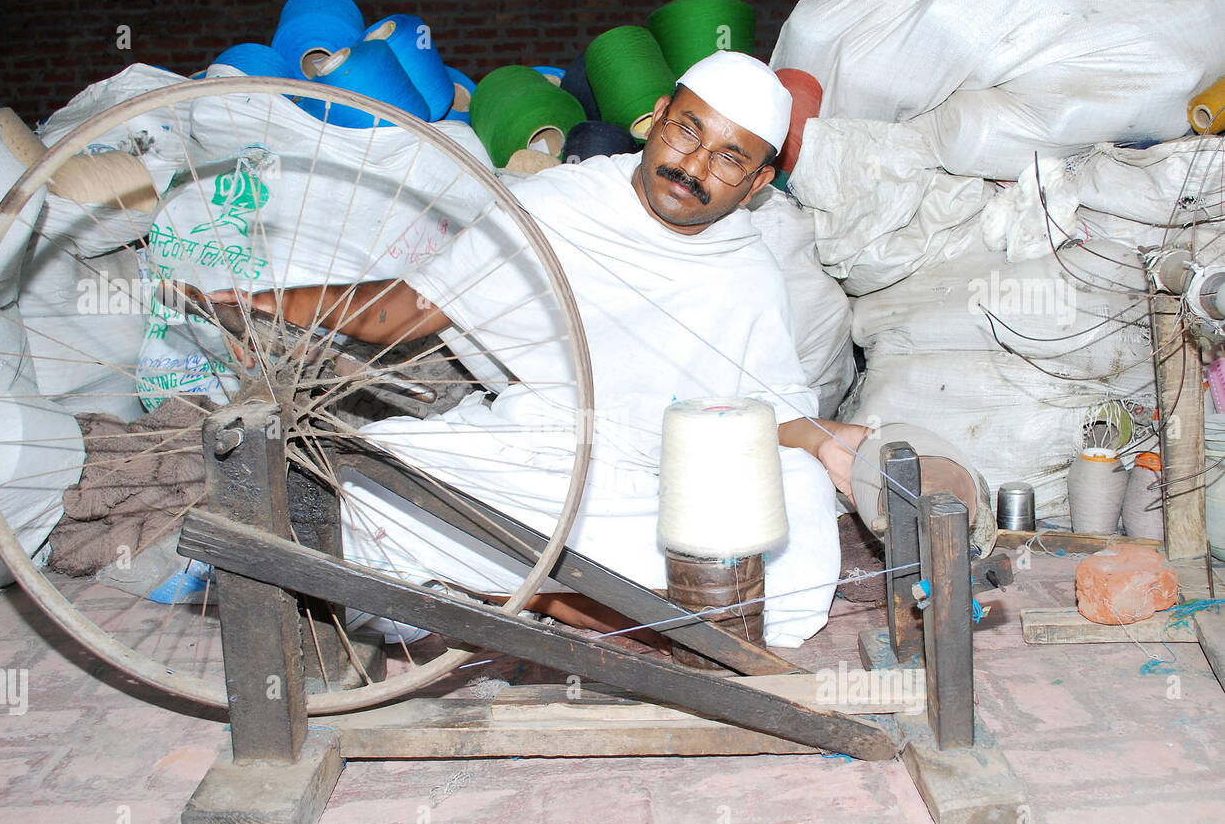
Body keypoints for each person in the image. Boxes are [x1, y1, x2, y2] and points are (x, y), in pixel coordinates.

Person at [209, 51, 869, 647]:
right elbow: (408, 308)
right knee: (360, 495)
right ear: (657, 117)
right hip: (545, 457)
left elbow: (767, 414)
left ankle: (539, 595)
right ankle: (605, 610)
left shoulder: (747, 269)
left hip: (674, 485)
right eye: (687, 131)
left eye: (729, 159)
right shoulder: (560, 202)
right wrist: (268, 301)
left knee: (802, 508)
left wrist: (824, 441)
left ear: (757, 186)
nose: (693, 167)